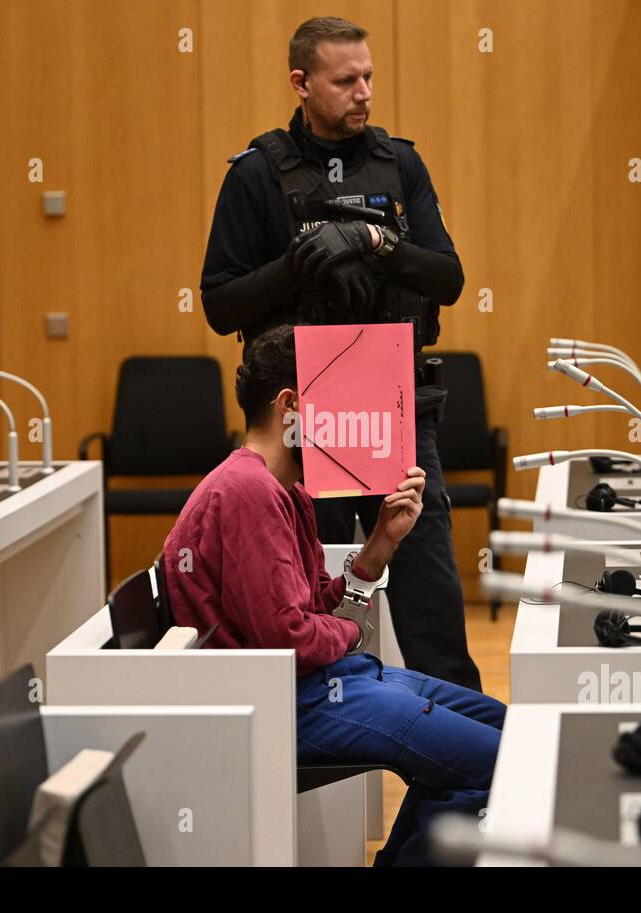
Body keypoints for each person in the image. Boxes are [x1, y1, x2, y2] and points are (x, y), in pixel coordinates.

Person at [200, 15, 481, 691]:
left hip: (396, 407)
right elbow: (219, 305)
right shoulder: (257, 176)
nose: (363, 92)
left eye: (369, 77)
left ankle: (472, 782)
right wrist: (300, 264)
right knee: (313, 600)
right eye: (345, 79)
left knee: (433, 614)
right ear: (301, 84)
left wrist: (375, 244)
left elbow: (448, 278)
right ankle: (333, 744)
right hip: (301, 422)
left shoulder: (399, 163)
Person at [162, 325, 505, 866]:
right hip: (290, 702)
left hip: (325, 684)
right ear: (292, 405)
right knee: (500, 763)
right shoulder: (248, 492)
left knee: (505, 729)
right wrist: (348, 633)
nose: (344, 421)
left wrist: (379, 546)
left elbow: (315, 602)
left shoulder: (282, 487)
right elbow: (291, 637)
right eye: (335, 401)